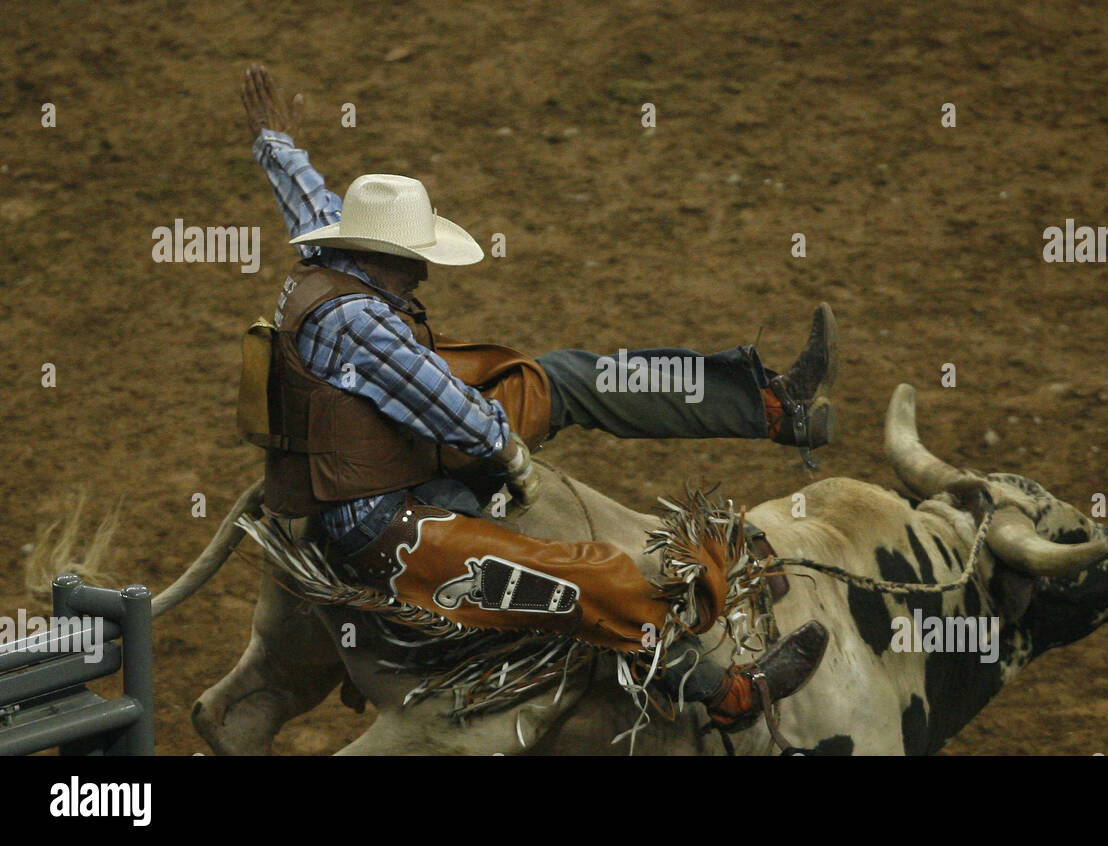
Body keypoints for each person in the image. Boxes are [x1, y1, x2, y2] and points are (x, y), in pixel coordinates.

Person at [238, 64, 830, 731]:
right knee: (590, 579)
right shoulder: (359, 324)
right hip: (382, 522)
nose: (425, 269)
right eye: (414, 257)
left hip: (392, 458)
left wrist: (274, 143)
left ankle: (770, 405)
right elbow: (451, 410)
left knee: (563, 376)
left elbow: (306, 197)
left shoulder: (331, 262)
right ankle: (728, 696)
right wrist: (513, 461)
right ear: (381, 257)